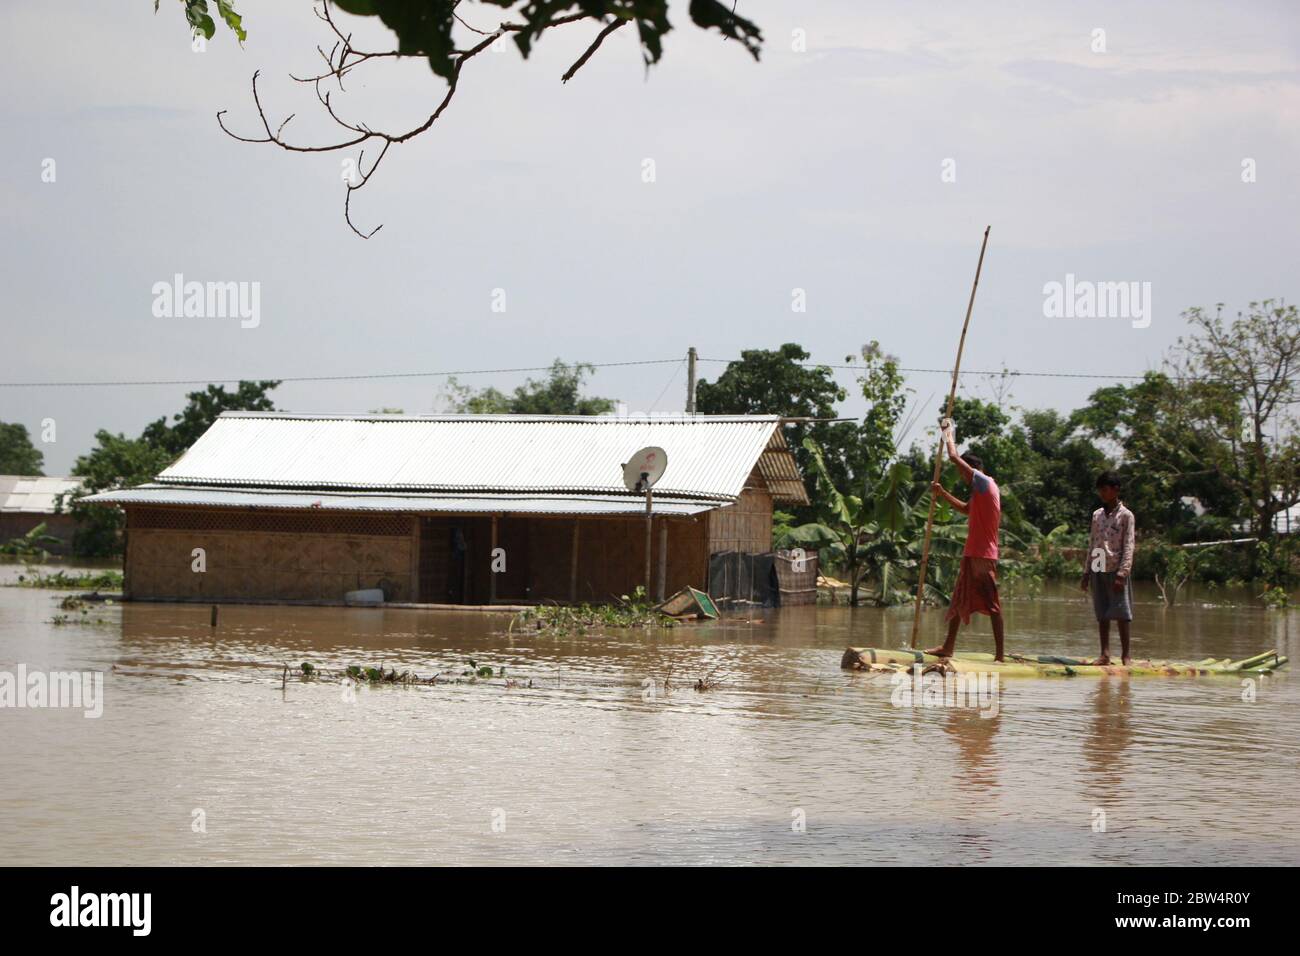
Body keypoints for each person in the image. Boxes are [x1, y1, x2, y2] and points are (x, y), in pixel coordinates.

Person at [926, 418, 1005, 661]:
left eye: (964, 473)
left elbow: (952, 457)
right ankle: (948, 647)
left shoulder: (984, 482)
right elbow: (965, 509)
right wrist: (942, 494)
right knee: (960, 598)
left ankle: (1000, 655)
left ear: (972, 470)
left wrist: (947, 433)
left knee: (992, 605)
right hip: (973, 553)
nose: (962, 478)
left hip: (983, 555)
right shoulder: (979, 493)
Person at [1080, 471, 1135, 665]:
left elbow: (1129, 545)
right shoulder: (1097, 515)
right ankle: (1104, 654)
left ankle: (1126, 655)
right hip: (1099, 562)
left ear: (1115, 490)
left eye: (1105, 489)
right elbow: (1093, 542)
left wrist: (1123, 572)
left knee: (1121, 612)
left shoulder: (1126, 515)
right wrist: (1087, 572)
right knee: (1102, 611)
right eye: (1100, 490)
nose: (1102, 493)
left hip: (1116, 565)